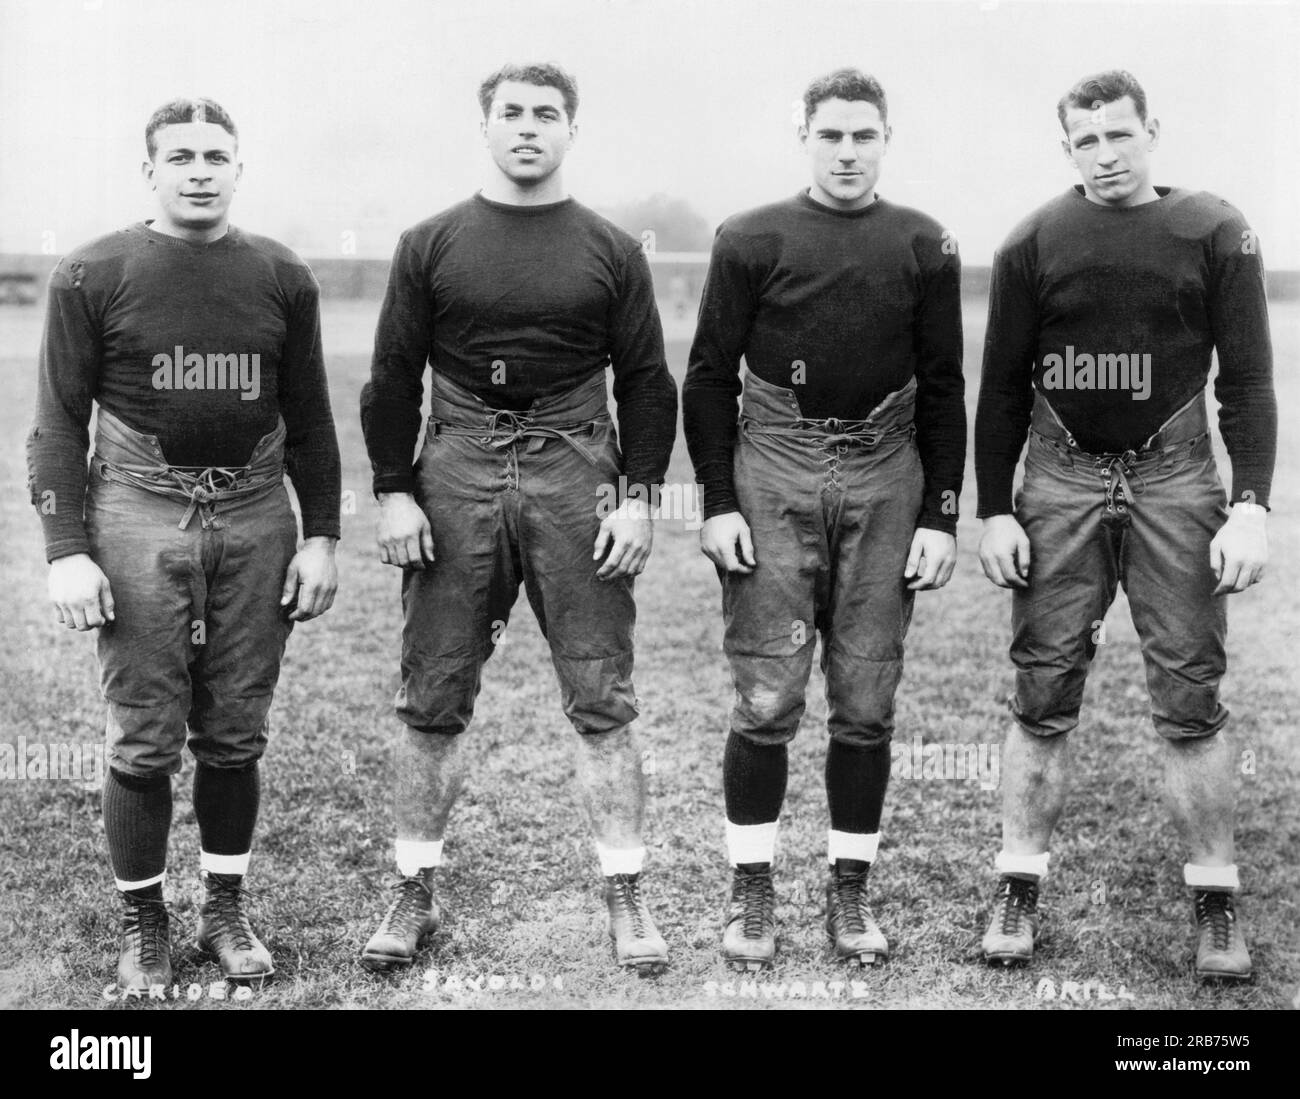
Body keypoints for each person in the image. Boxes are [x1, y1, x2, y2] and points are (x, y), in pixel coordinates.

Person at [358, 63, 678, 974]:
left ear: (572, 128)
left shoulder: (612, 248)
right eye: (511, 113)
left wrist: (641, 498)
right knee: (433, 694)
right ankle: (412, 888)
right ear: (485, 126)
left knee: (602, 698)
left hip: (579, 464)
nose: (528, 127)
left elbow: (648, 382)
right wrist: (392, 489)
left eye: (547, 113)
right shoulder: (432, 242)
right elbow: (391, 377)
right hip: (456, 460)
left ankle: (627, 893)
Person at [26, 97, 342, 991]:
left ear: (240, 168)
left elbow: (313, 423)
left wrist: (322, 535)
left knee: (236, 730)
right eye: (181, 156)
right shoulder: (93, 271)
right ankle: (145, 921)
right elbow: (56, 421)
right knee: (144, 736)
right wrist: (65, 548)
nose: (199, 169)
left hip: (254, 514)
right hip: (135, 508)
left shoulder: (282, 274)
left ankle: (226, 910)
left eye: (216, 155)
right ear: (150, 170)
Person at [975, 70, 1274, 981]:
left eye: (1118, 135)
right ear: (1065, 145)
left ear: (1153, 129)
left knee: (1191, 692)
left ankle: (1216, 901)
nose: (1104, 155)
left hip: (1175, 477)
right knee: (1042, 688)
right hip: (1060, 480)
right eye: (1085, 140)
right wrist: (993, 509)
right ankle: (1018, 886)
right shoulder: (1033, 238)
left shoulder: (1216, 230)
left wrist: (1253, 503)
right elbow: (1000, 390)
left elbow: (1249, 381)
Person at [683, 68, 965, 969]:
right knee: (767, 696)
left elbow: (947, 386)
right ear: (802, 134)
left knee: (867, 702)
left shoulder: (925, 240)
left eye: (864, 136)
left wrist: (943, 516)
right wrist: (719, 501)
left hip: (888, 472)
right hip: (775, 464)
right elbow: (706, 378)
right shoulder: (751, 235)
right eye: (832, 135)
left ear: (888, 138)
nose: (848, 152)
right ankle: (753, 892)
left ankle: (850, 894)